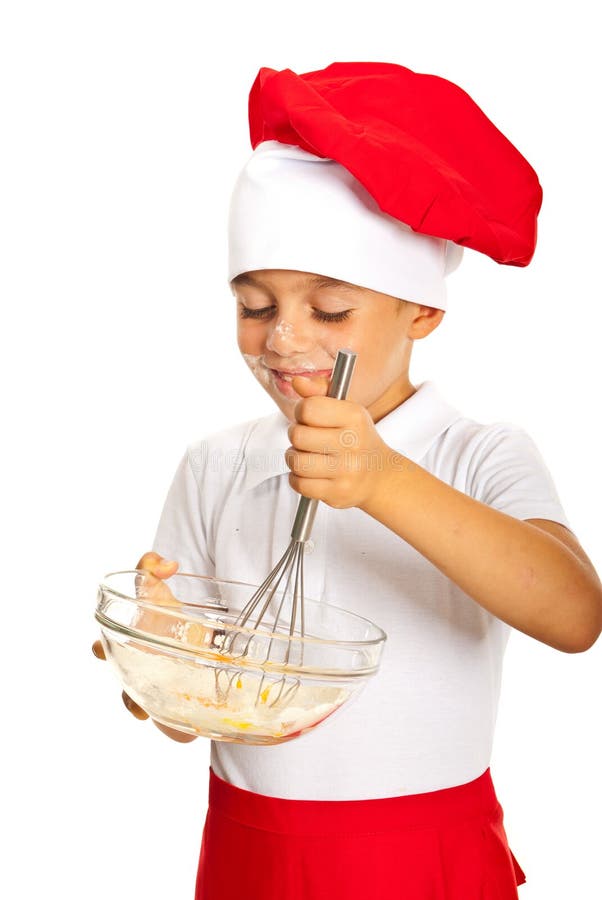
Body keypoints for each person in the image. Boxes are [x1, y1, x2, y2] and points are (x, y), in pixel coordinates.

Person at [93, 62, 602, 899]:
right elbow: (204, 675)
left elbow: (575, 613)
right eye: (255, 306)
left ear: (423, 312)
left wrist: (384, 481)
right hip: (249, 846)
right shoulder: (216, 464)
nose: (284, 339)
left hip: (423, 850)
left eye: (330, 311)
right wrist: (167, 672)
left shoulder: (476, 454)